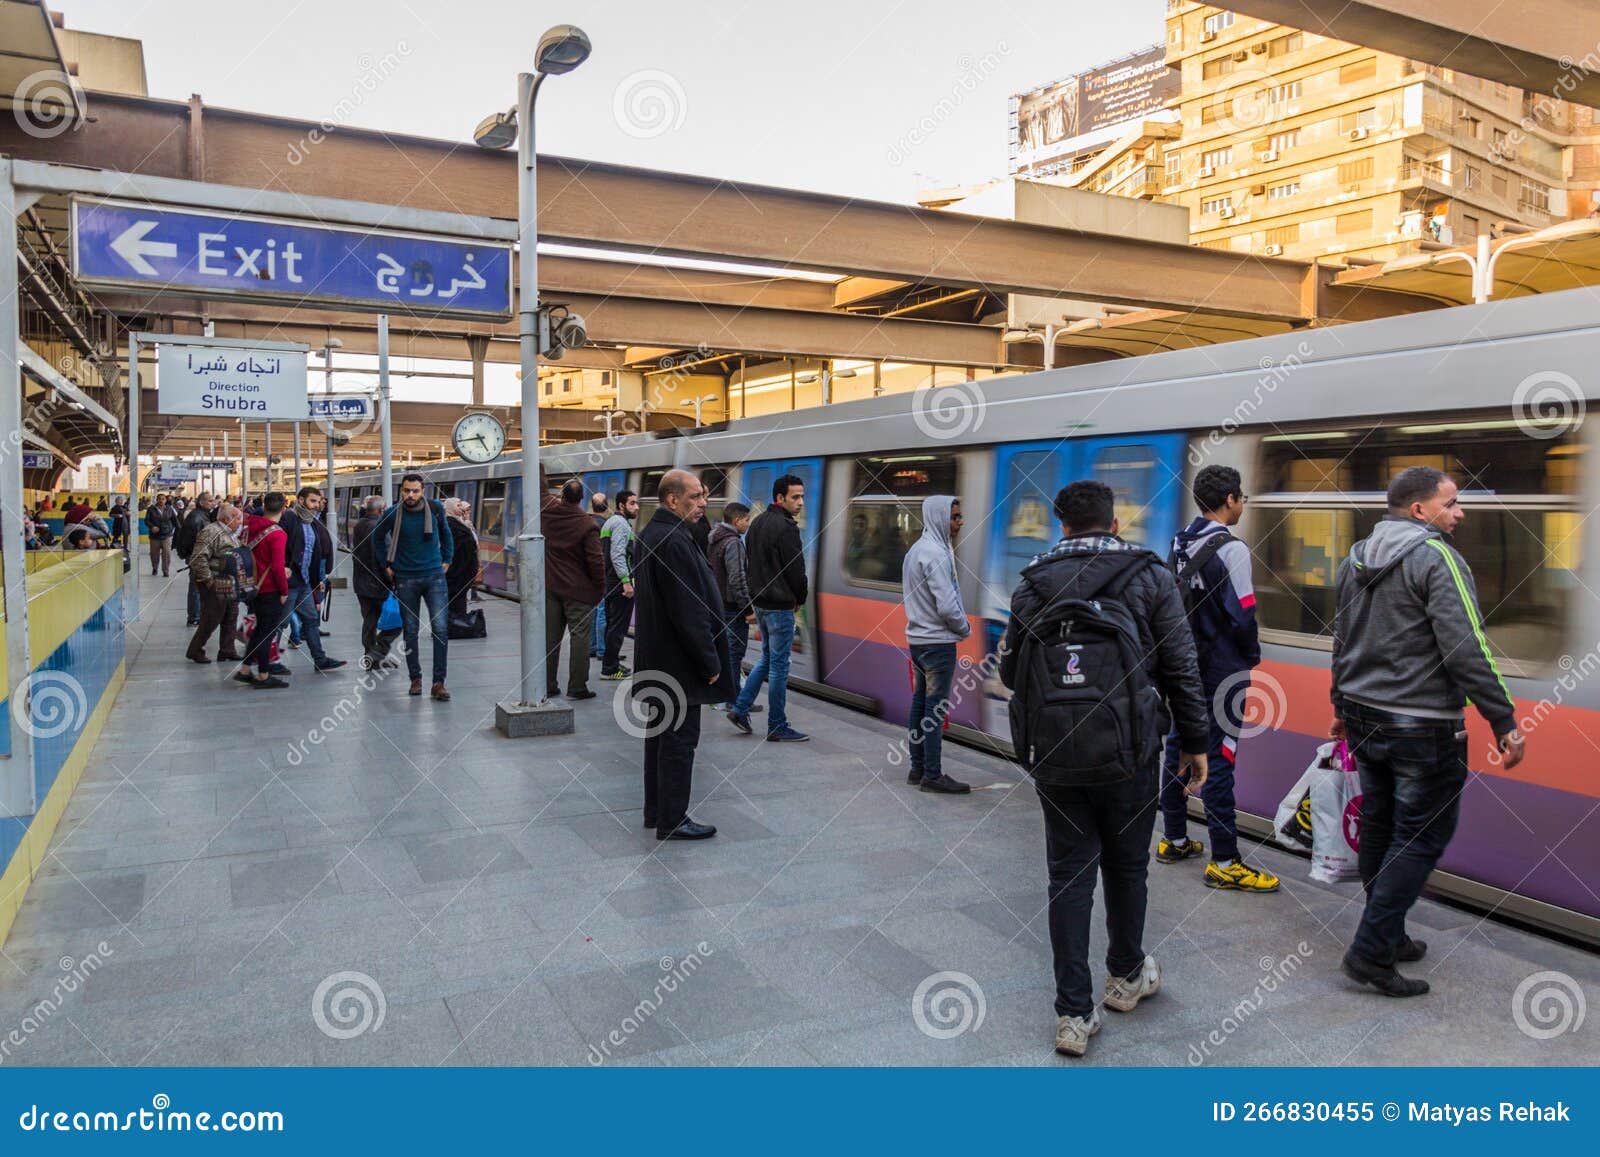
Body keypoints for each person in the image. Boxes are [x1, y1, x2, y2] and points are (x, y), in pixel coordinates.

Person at [999, 480, 1209, 1058]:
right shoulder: (1149, 575)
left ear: (1062, 526)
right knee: (1127, 865)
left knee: (1068, 875)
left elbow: (1012, 673)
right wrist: (1195, 741)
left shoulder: (1032, 583)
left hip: (1056, 754)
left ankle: (1073, 1013)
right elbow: (1181, 666)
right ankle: (1125, 976)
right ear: (1114, 523)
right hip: (1131, 750)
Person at [1331, 466, 1525, 998]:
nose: (1459, 513)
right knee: (1420, 837)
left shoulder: (1355, 556)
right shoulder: (1437, 557)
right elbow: (1466, 647)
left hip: (1365, 716)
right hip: (1421, 725)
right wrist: (1503, 719)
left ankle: (1387, 935)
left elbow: (1342, 638)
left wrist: (1340, 703)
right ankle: (1371, 952)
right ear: (1419, 510)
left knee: (1381, 825)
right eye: (1452, 502)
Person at [1156, 465, 1278, 893]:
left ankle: (1174, 839)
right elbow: (1244, 614)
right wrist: (1250, 656)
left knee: (1179, 747)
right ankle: (1225, 860)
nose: (1243, 505)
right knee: (1220, 758)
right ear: (1229, 499)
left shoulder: (1179, 542)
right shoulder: (1232, 549)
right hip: (1223, 671)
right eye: (1241, 498)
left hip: (1185, 668)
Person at [632, 469, 733, 841]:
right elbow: (688, 610)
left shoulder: (653, 533)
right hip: (678, 664)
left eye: (704, 495)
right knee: (679, 742)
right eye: (695, 497)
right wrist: (709, 661)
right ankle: (672, 820)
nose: (704, 503)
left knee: (659, 739)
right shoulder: (674, 541)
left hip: (659, 659)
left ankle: (656, 811)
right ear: (672, 499)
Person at [728, 473, 809, 742]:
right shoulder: (787, 528)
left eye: (802, 497)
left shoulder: (758, 522)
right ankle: (777, 725)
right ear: (780, 498)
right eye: (795, 497)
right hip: (780, 606)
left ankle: (740, 708)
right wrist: (800, 597)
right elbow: (796, 570)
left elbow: (750, 564)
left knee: (766, 659)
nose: (800, 502)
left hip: (761, 604)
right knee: (779, 667)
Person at [901, 495, 971, 794]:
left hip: (918, 642)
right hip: (938, 644)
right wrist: (964, 628)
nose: (960, 522)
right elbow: (947, 606)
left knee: (920, 704)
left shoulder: (917, 550)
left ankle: (917, 768)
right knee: (935, 709)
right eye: (955, 517)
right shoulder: (936, 554)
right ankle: (932, 774)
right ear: (940, 517)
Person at [374, 473, 454, 700]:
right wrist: (385, 564)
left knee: (440, 629)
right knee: (410, 630)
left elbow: (446, 534)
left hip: (434, 577)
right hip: (405, 578)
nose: (410, 495)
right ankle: (415, 679)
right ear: (401, 491)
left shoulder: (435, 509)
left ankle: (439, 683)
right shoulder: (392, 513)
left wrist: (447, 559)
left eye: (415, 491)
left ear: (422, 491)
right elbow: (376, 538)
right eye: (407, 491)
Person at [542, 478, 604, 700]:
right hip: (579, 592)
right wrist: (599, 589)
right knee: (580, 638)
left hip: (552, 588)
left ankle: (548, 684)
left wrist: (539, 466)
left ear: (562, 495)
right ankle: (577, 687)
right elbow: (596, 561)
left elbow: (540, 492)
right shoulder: (587, 524)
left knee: (550, 639)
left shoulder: (549, 515)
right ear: (582, 499)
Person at [279, 487, 345, 672]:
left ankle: (320, 659)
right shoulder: (290, 519)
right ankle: (269, 662)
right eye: (313, 501)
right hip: (290, 582)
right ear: (301, 500)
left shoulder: (312, 522)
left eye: (318, 501)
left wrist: (317, 583)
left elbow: (313, 555)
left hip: (305, 582)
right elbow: (281, 547)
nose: (317, 505)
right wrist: (283, 569)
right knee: (280, 623)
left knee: (311, 619)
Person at [232, 491, 292, 690]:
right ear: (283, 508)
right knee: (267, 633)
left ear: (264, 506)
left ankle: (245, 670)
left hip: (252, 587)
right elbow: (277, 567)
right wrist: (284, 591)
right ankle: (263, 675)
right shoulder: (278, 534)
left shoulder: (249, 528)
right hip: (269, 589)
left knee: (259, 630)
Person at [707, 502, 760, 709]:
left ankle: (723, 695)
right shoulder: (734, 543)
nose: (748, 524)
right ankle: (733, 700)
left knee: (724, 651)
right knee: (734, 653)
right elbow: (737, 579)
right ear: (737, 520)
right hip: (732, 608)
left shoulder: (715, 538)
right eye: (746, 520)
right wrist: (748, 609)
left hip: (717, 603)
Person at [186, 503, 245, 664]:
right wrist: (209, 581)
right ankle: (195, 650)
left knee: (231, 615)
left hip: (229, 580)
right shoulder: (211, 532)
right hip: (215, 580)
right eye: (237, 519)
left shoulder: (230, 533)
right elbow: (198, 558)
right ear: (226, 519)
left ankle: (227, 650)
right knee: (212, 617)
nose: (240, 522)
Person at [352, 494, 401, 670]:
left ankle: (371, 657)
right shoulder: (379, 528)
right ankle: (377, 654)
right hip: (378, 583)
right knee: (398, 621)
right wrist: (394, 580)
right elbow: (385, 559)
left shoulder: (359, 525)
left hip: (361, 583)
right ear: (381, 510)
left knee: (369, 622)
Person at [599, 489, 639, 679]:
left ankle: (611, 663)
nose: (636, 507)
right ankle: (610, 669)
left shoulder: (609, 522)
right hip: (619, 584)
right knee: (618, 627)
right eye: (632, 503)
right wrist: (626, 582)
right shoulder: (621, 524)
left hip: (609, 581)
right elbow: (618, 554)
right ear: (621, 505)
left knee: (611, 625)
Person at [175, 492, 219, 627]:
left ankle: (199, 615)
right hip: (198, 557)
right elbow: (188, 540)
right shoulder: (196, 518)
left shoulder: (203, 515)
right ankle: (194, 616)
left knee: (201, 586)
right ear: (201, 502)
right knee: (196, 587)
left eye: (213, 501)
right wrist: (189, 555)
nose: (213, 503)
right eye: (210, 501)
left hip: (201, 556)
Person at [444, 497, 481, 618]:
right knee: (455, 603)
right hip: (456, 572)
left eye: (461, 505)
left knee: (459, 602)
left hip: (462, 572)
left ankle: (458, 622)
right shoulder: (449, 523)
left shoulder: (460, 522)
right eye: (458, 505)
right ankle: (455, 623)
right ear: (450, 508)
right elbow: (455, 547)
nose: (462, 508)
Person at [589, 493, 609, 658]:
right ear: (607, 506)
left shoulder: (586, 523)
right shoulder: (606, 525)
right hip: (602, 574)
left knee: (594, 611)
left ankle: (592, 646)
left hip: (588, 574)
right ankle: (603, 649)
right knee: (602, 611)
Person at [145, 493, 178, 576]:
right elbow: (147, 520)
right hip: (154, 536)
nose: (161, 500)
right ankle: (155, 568)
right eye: (159, 499)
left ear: (165, 500)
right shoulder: (151, 509)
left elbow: (175, 520)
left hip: (167, 535)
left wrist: (179, 530)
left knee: (167, 553)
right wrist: (152, 527)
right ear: (156, 500)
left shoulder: (169, 509)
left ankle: (165, 570)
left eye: (163, 499)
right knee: (154, 554)